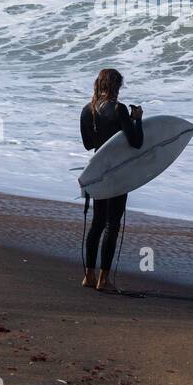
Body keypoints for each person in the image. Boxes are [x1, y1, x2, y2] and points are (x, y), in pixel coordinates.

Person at [79, 68, 143, 293]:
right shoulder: (119, 109)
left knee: (97, 223)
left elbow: (88, 144)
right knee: (112, 225)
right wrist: (138, 120)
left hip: (97, 171)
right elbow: (136, 143)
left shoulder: (88, 110)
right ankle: (103, 280)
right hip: (117, 173)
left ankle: (89, 275)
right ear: (116, 86)